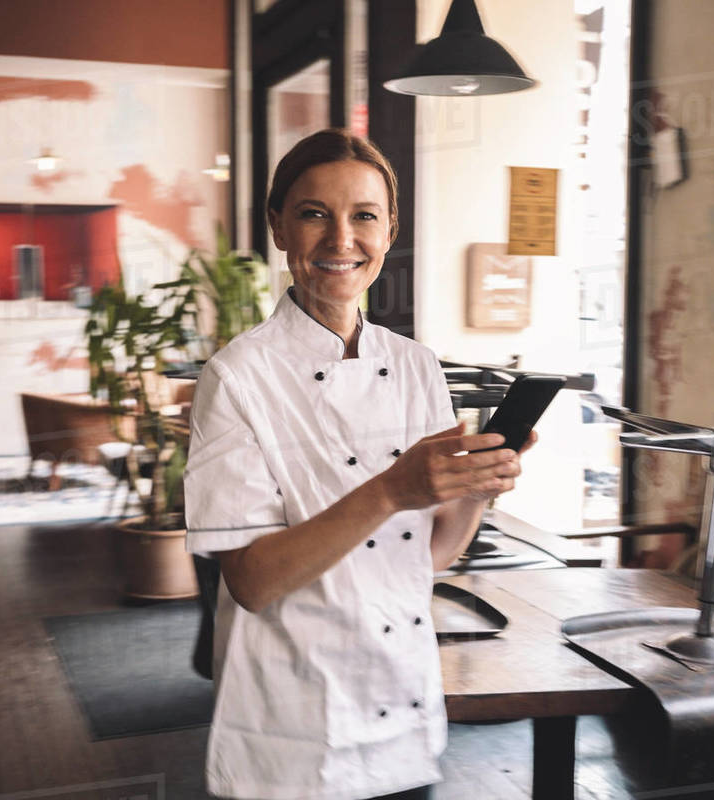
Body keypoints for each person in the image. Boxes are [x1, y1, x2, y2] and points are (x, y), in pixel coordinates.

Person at [183, 128, 536, 800]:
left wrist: (478, 487)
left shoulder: (416, 366)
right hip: (295, 732)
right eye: (315, 213)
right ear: (279, 227)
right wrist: (389, 491)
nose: (341, 240)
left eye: (364, 216)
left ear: (389, 230)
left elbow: (425, 557)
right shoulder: (236, 379)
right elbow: (252, 582)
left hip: (403, 712)